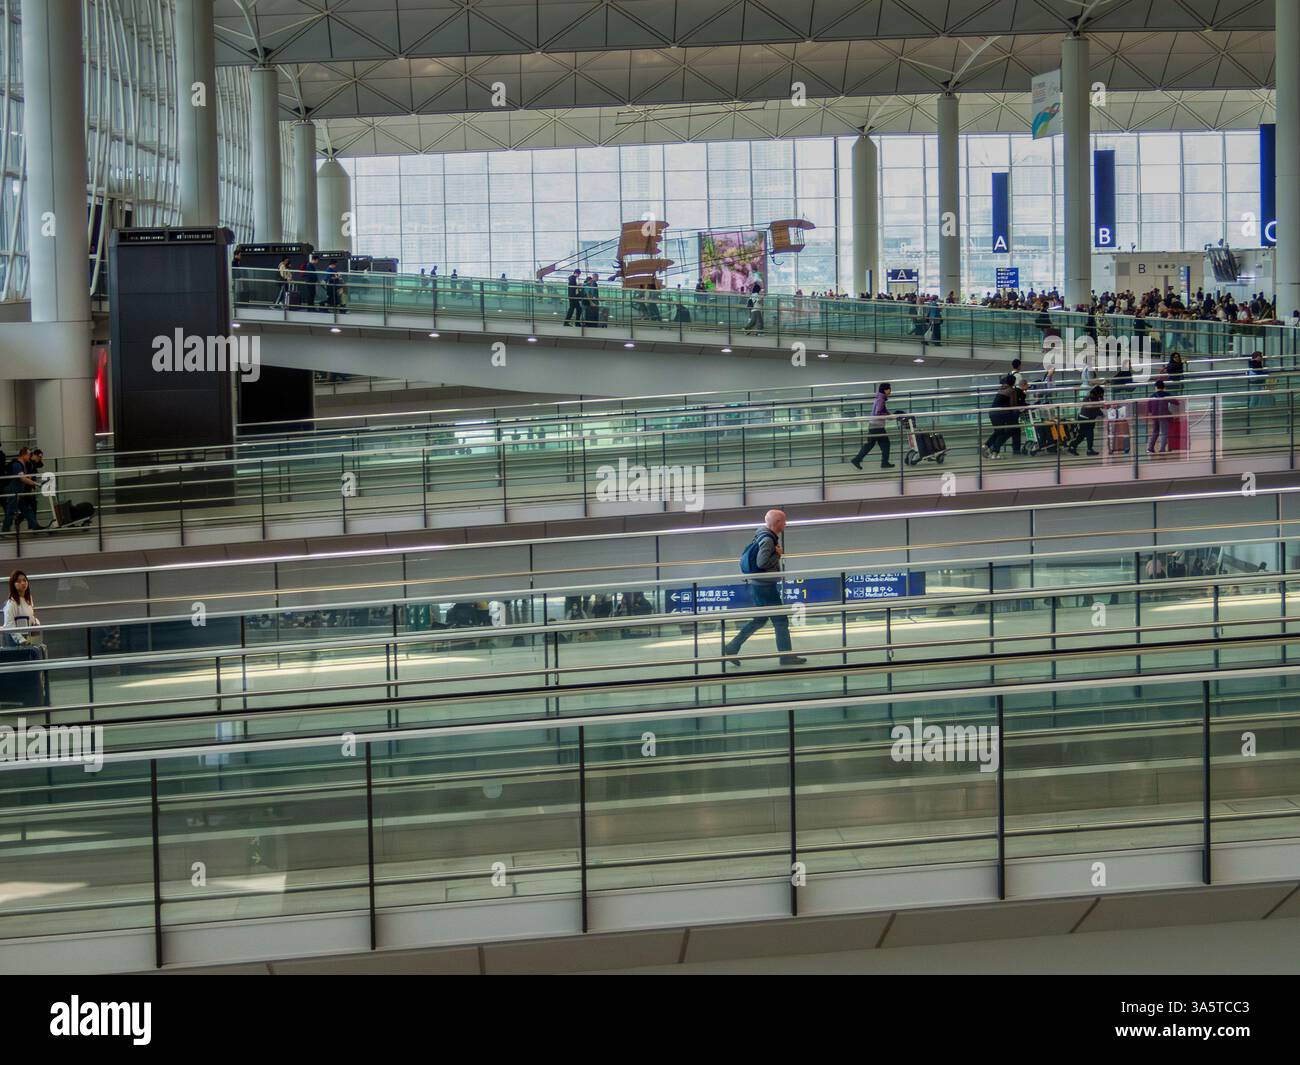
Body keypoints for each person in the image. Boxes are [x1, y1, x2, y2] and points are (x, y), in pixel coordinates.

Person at [722, 509, 805, 668]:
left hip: (759, 586)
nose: (786, 524)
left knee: (760, 619)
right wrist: (778, 555)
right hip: (766, 587)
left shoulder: (761, 535)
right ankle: (786, 656)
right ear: (777, 522)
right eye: (784, 521)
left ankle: (732, 647)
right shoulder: (768, 540)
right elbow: (762, 563)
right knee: (780, 621)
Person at [851, 383, 897, 469]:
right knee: (885, 444)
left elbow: (883, 411)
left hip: (874, 425)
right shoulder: (881, 399)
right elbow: (878, 413)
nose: (890, 390)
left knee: (871, 444)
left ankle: (857, 459)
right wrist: (888, 416)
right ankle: (884, 463)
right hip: (877, 426)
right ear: (885, 390)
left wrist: (890, 416)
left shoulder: (880, 398)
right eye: (889, 389)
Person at [3, 447, 39, 532]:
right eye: (29, 455)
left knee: (26, 508)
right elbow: (22, 478)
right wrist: (35, 483)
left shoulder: (22, 464)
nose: (30, 456)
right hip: (14, 490)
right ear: (24, 454)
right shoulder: (17, 464)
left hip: (19, 491)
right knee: (11, 510)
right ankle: (5, 529)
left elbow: (23, 477)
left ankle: (35, 525)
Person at [1069, 385, 1105, 456]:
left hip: (1088, 419)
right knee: (1088, 435)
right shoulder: (1089, 398)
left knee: (1083, 435)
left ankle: (1073, 446)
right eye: (1101, 393)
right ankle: (1088, 449)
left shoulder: (1094, 398)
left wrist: (1101, 410)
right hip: (1085, 419)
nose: (1102, 395)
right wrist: (1101, 413)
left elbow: (1097, 408)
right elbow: (1092, 408)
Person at [1145, 379, 1177, 454]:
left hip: (1155, 416)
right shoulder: (1167, 394)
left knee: (1155, 432)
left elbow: (1149, 408)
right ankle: (1162, 449)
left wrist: (1152, 412)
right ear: (1163, 387)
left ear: (1156, 387)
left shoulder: (1152, 396)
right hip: (1164, 416)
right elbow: (1176, 402)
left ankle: (1150, 448)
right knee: (1164, 432)